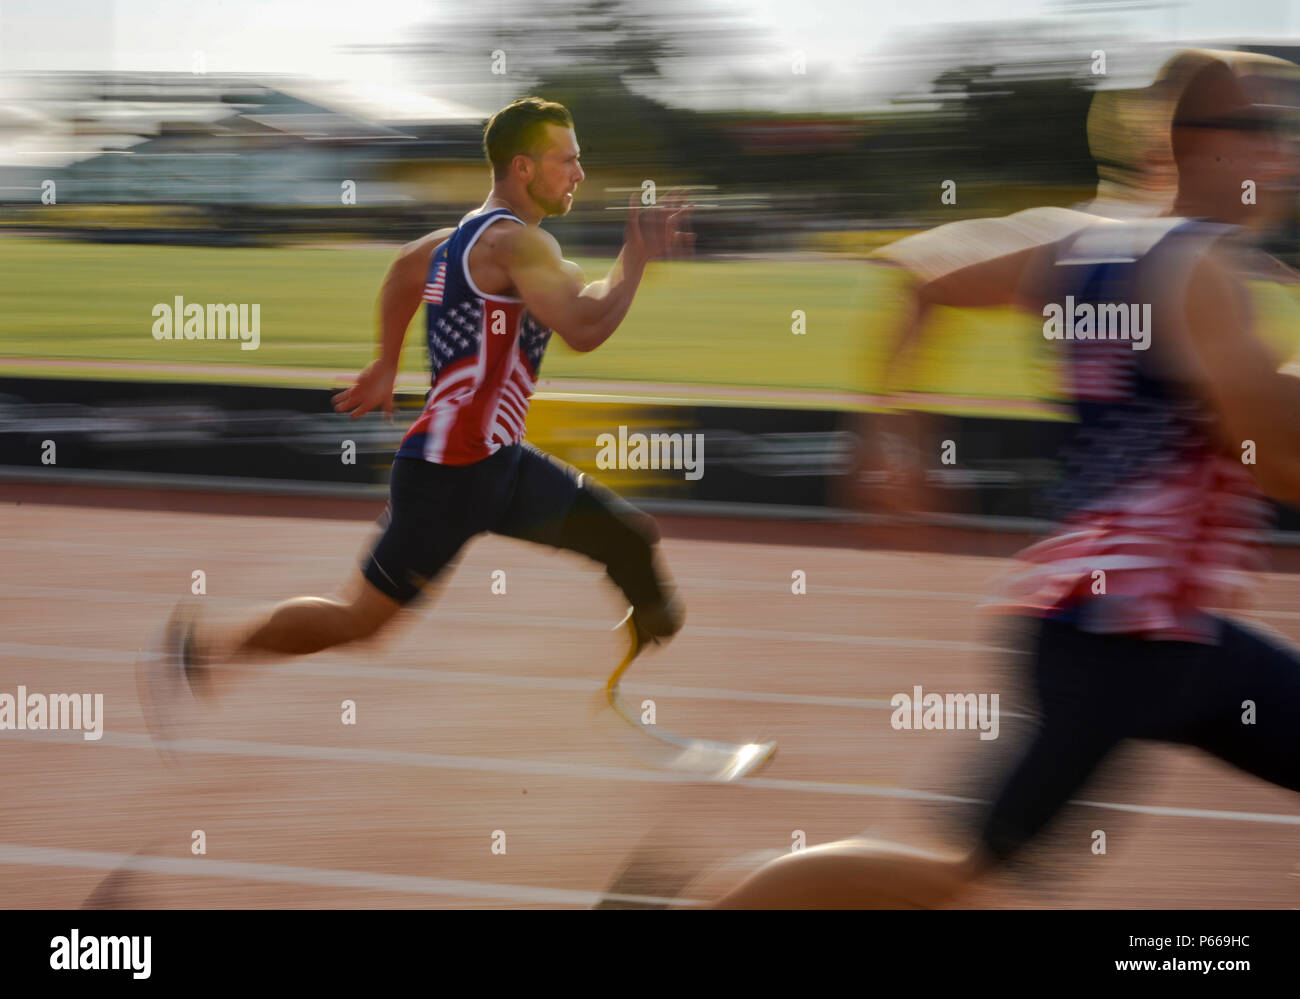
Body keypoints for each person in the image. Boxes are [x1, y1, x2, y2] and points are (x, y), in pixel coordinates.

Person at [715, 49, 1300, 908]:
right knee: (958, 873)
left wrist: (891, 425)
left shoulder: (1081, 244)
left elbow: (921, 273)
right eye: (1266, 130)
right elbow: (1279, 457)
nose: (1282, 153)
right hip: (1122, 639)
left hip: (1159, 627)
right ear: (1197, 143)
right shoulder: (1203, 276)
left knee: (964, 869)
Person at [138, 97, 689, 744]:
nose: (580, 173)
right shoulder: (517, 243)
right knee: (358, 622)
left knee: (630, 538)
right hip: (448, 477)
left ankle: (645, 624)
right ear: (523, 166)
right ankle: (203, 646)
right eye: (567, 159)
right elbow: (585, 327)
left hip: (499, 467)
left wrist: (384, 363)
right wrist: (636, 261)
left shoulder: (464, 240)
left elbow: (404, 271)